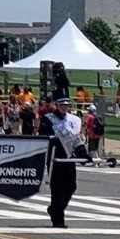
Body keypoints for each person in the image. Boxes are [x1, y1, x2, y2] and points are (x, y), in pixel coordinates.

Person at [39, 96, 84, 228]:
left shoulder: (73, 120)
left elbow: (75, 139)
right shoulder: (48, 118)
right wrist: (50, 139)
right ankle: (58, 220)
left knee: (71, 186)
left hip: (69, 157)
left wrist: (82, 152)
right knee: (57, 189)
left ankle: (54, 209)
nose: (64, 107)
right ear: (57, 105)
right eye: (62, 105)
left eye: (66, 105)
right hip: (55, 157)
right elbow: (43, 136)